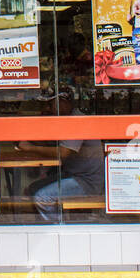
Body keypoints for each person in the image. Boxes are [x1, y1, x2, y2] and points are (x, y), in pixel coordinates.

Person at [16, 91, 105, 221]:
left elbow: (63, 152)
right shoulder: (67, 119)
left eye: (50, 104)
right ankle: (45, 223)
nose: (48, 108)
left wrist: (30, 148)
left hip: (87, 182)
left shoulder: (76, 121)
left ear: (63, 103)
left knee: (43, 197)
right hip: (73, 175)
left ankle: (56, 230)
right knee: (33, 188)